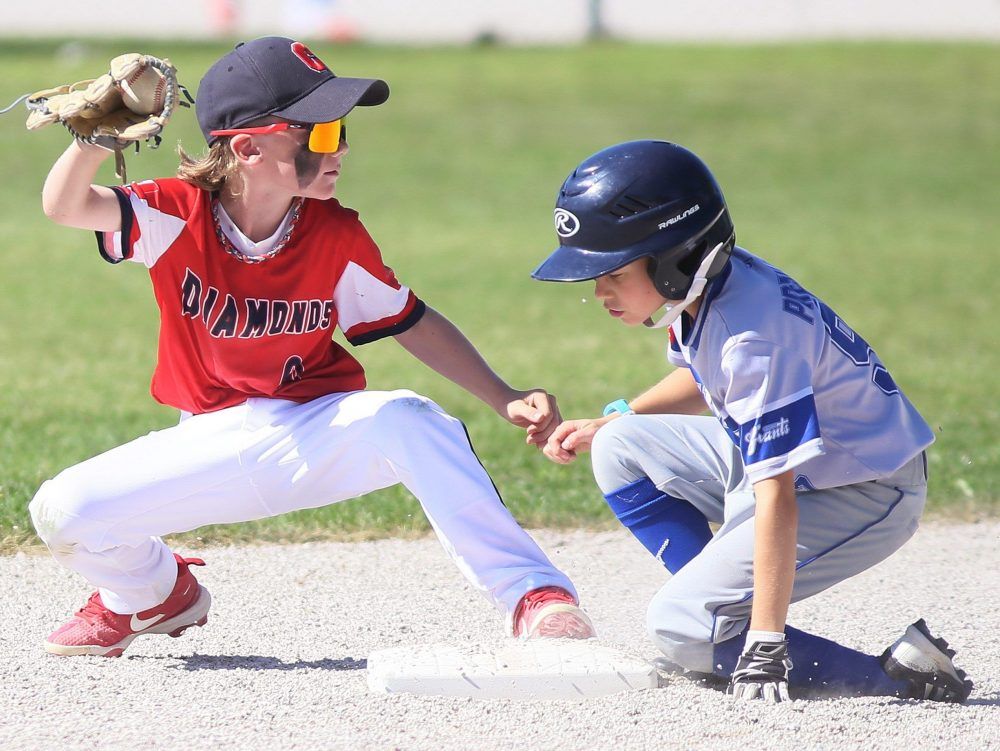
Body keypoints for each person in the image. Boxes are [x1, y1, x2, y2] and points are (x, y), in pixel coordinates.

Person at [28, 36, 595, 658]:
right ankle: (151, 595)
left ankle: (536, 595)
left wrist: (503, 396)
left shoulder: (335, 233)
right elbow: (66, 206)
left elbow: (408, 319)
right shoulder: (175, 213)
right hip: (208, 443)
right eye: (318, 134)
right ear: (246, 147)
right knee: (61, 509)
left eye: (340, 130)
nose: (341, 147)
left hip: (312, 434)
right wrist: (91, 140)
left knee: (409, 418)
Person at [529, 140, 973, 703]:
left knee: (676, 626)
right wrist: (617, 416)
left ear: (672, 257)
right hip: (808, 466)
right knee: (618, 444)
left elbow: (778, 494)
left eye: (612, 272)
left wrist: (765, 644)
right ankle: (716, 613)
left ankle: (901, 675)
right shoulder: (708, 286)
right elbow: (705, 377)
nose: (599, 292)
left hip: (861, 489)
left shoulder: (753, 340)